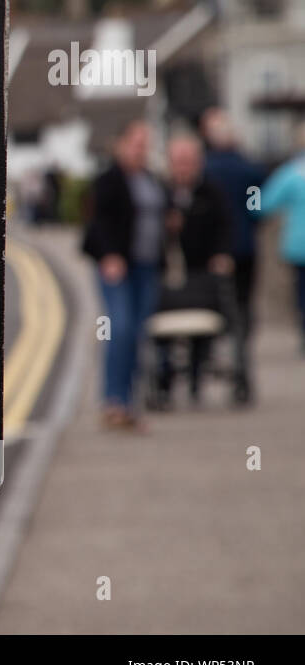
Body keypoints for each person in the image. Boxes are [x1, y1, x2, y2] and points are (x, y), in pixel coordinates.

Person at [81, 120, 165, 429]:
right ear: (121, 145)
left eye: (146, 144)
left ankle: (128, 402)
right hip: (118, 266)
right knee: (121, 328)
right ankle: (112, 400)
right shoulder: (108, 179)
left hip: (147, 265)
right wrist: (109, 254)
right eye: (137, 143)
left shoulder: (150, 179)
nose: (142, 150)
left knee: (138, 334)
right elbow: (97, 220)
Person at [154, 134, 236, 406]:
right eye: (178, 162)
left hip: (202, 276)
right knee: (160, 335)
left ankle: (196, 381)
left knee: (205, 331)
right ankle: (163, 382)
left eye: (188, 161)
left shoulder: (212, 191)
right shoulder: (160, 194)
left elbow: (226, 227)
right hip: (170, 278)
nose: (183, 167)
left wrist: (222, 256)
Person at [200, 108, 266, 399]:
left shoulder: (206, 169)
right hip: (244, 247)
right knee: (242, 310)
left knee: (215, 310)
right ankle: (241, 370)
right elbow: (257, 207)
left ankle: (212, 366)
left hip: (215, 251)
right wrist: (248, 222)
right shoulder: (248, 169)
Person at [261, 123, 305, 353]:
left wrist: (251, 193)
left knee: (301, 293)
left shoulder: (291, 172)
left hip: (299, 244)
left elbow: (264, 204)